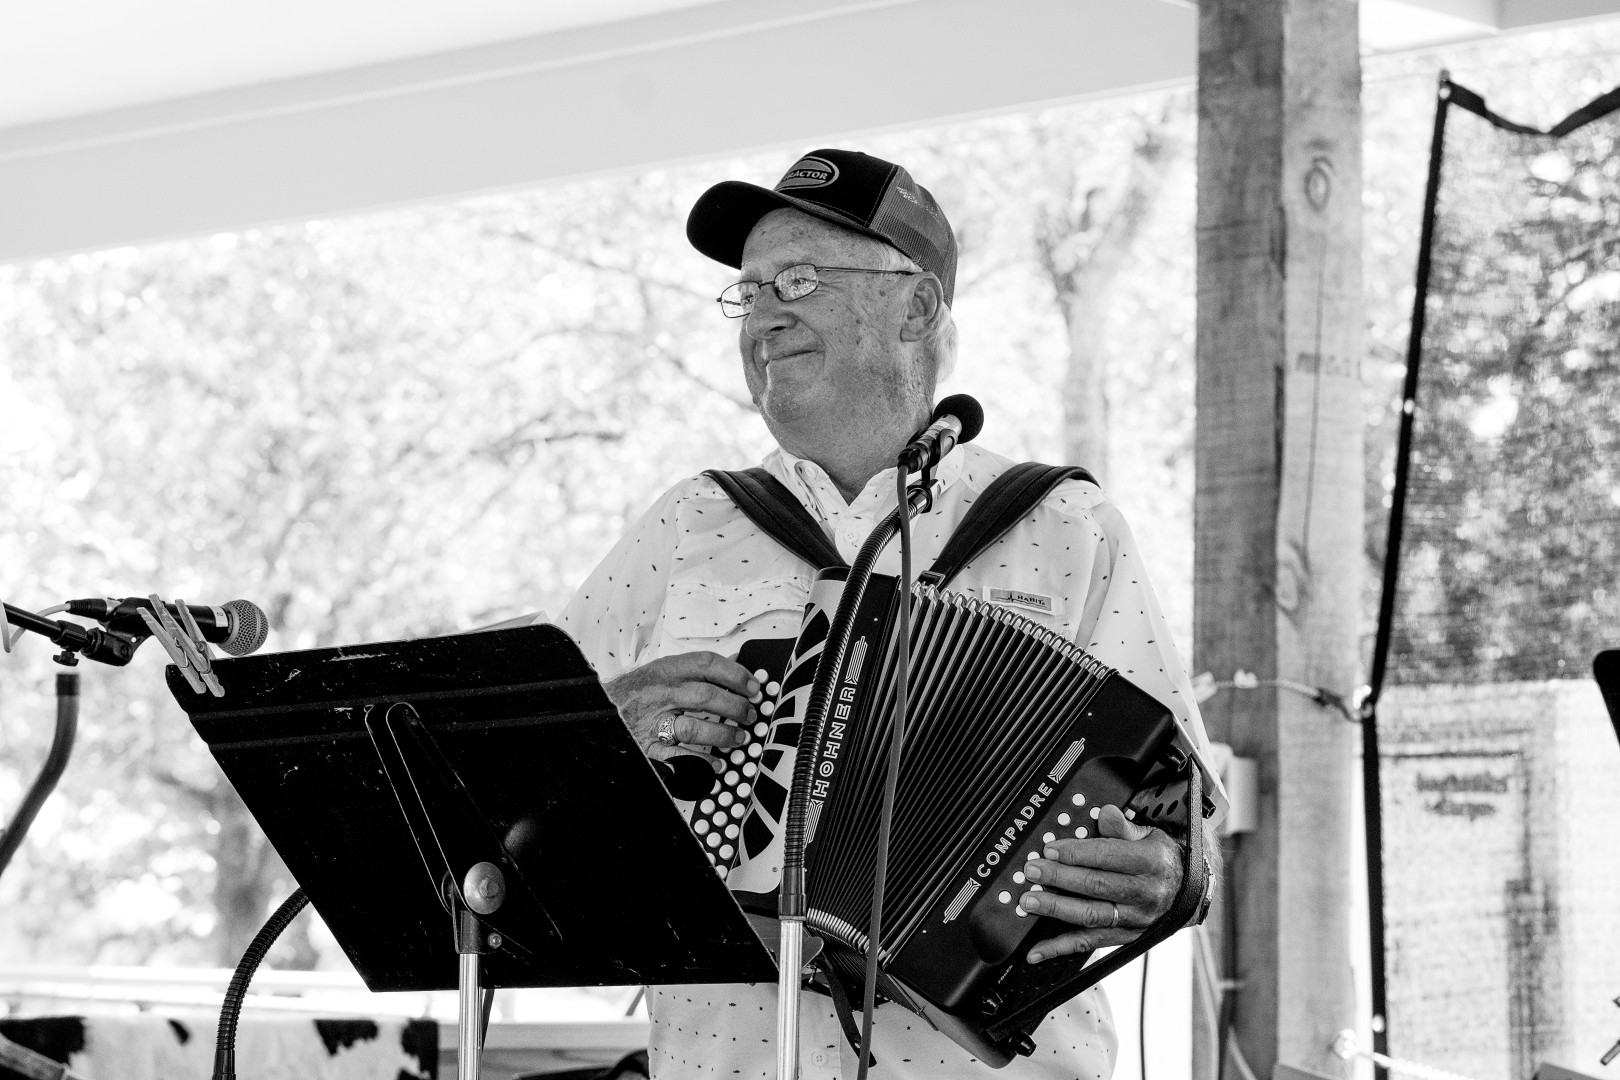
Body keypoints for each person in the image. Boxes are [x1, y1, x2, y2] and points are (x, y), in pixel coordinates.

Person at [557, 148, 1215, 1080]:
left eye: (801, 277)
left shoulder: (1063, 526)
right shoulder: (688, 523)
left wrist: (1169, 875)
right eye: (748, 293)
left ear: (916, 308)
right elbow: (511, 787)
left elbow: (1178, 818)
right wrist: (601, 731)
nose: (766, 313)